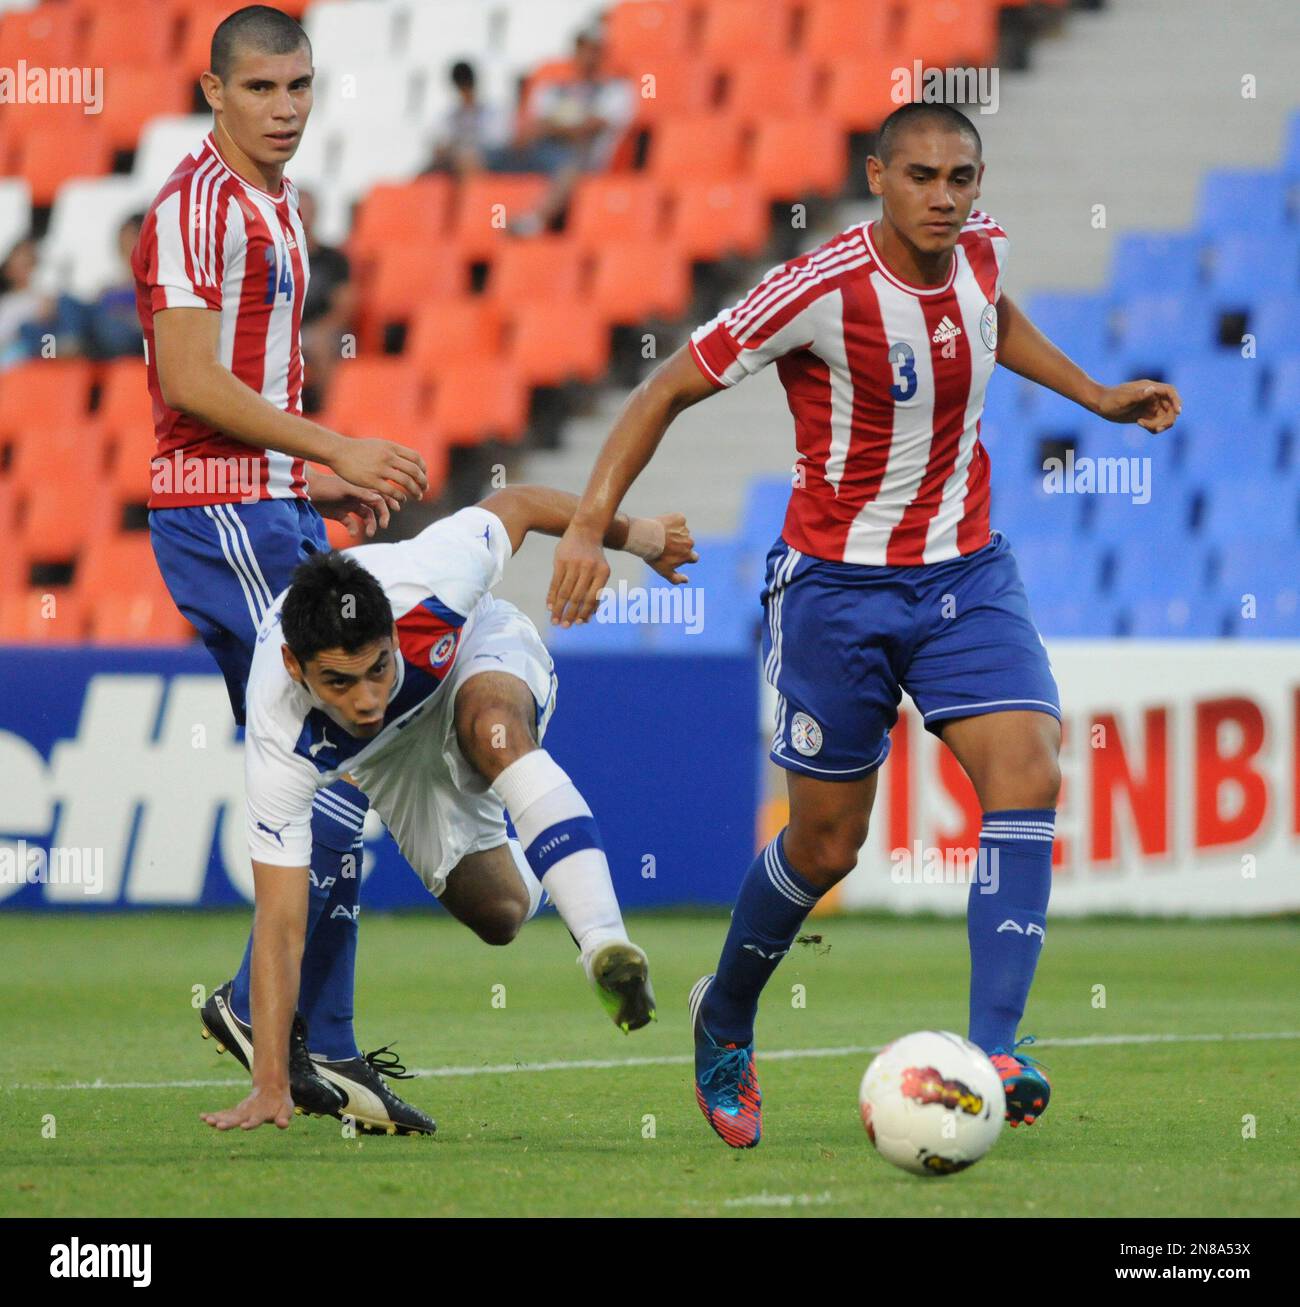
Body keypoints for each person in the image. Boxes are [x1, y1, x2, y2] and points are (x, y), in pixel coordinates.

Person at [546, 102, 1183, 1149]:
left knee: (1027, 768)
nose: (944, 196)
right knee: (826, 841)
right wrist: (584, 527)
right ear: (877, 176)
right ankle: (729, 1012)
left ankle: (989, 1051)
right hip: (835, 591)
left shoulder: (977, 251)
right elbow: (665, 387)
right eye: (922, 176)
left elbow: (994, 315)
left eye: (962, 177)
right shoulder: (817, 289)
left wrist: (1093, 394)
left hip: (965, 573)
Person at [134, 4, 434, 1134]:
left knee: (350, 773)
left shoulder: (279, 201)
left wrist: (305, 479)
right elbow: (191, 385)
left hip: (266, 507)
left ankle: (307, 1037)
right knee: (344, 770)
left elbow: (237, 397)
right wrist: (332, 447)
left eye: (300, 87)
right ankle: (307, 1038)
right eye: (261, 89)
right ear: (214, 92)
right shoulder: (190, 209)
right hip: (221, 524)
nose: (286, 109)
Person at [200, 485, 696, 1131]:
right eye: (338, 683)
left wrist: (640, 535)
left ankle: (603, 941)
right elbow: (282, 923)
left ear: (393, 633)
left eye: (378, 667)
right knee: (499, 913)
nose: (365, 698)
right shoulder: (279, 735)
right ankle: (556, 862)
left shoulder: (437, 577)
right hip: (386, 760)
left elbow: (516, 503)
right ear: (295, 667)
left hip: (473, 658)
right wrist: (270, 1083)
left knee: (493, 727)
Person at [496, 29, 634, 235]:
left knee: (571, 165)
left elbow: (592, 127)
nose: (587, 56)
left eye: (593, 50)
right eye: (582, 49)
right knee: (493, 153)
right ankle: (477, 221)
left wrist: (557, 126)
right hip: (546, 151)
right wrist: (567, 128)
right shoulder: (554, 87)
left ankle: (533, 221)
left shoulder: (616, 89)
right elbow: (537, 126)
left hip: (587, 157)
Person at [296, 187, 354, 413]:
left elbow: (346, 306)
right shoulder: (277, 258)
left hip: (341, 338)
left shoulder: (335, 259)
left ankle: (328, 414)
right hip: (289, 334)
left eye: (307, 209)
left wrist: (322, 329)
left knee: (322, 345)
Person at [423, 60, 513, 177]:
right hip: (457, 160)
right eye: (461, 89)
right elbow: (439, 140)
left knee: (469, 159)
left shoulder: (492, 112)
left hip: (488, 159)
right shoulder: (451, 115)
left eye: (466, 88)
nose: (464, 93)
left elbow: (498, 141)